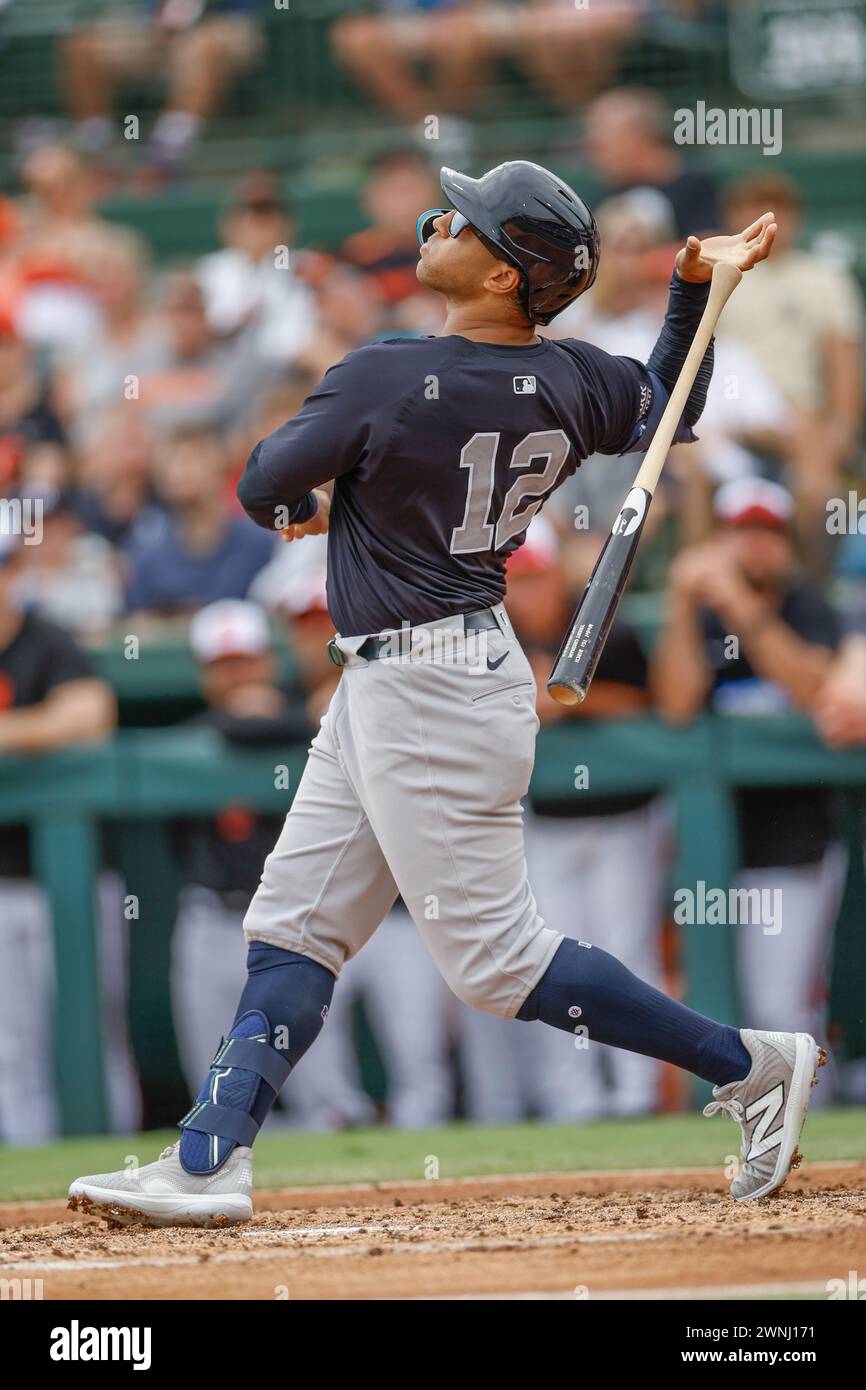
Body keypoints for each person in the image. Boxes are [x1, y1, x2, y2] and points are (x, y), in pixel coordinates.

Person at [69, 159, 816, 1230]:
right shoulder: (572, 378)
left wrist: (318, 506)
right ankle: (206, 1158)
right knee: (295, 922)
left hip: (424, 680)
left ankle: (746, 1065)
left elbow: (259, 484)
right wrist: (690, 291)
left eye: (455, 221)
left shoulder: (387, 371)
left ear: (507, 274)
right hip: (421, 674)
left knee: (494, 962)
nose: (431, 223)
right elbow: (670, 404)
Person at [650, 478, 847, 1059]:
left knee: (781, 1007)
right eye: (743, 534)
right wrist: (683, 605)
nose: (756, 548)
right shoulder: (703, 615)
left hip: (796, 840)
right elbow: (677, 708)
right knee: (714, 1005)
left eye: (768, 534)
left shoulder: (809, 604)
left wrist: (742, 605)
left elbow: (813, 687)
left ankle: (809, 1120)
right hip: (711, 845)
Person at [0, 535, 135, 1142]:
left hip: (73, 881)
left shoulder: (46, 639)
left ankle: (117, 1170)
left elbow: (89, 713)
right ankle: (41, 1202)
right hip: (5, 890)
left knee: (94, 1031)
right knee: (11, 1049)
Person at [584, 87, 721, 239]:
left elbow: (706, 250)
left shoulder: (695, 189)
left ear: (639, 139)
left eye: (602, 145)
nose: (595, 156)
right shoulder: (604, 200)